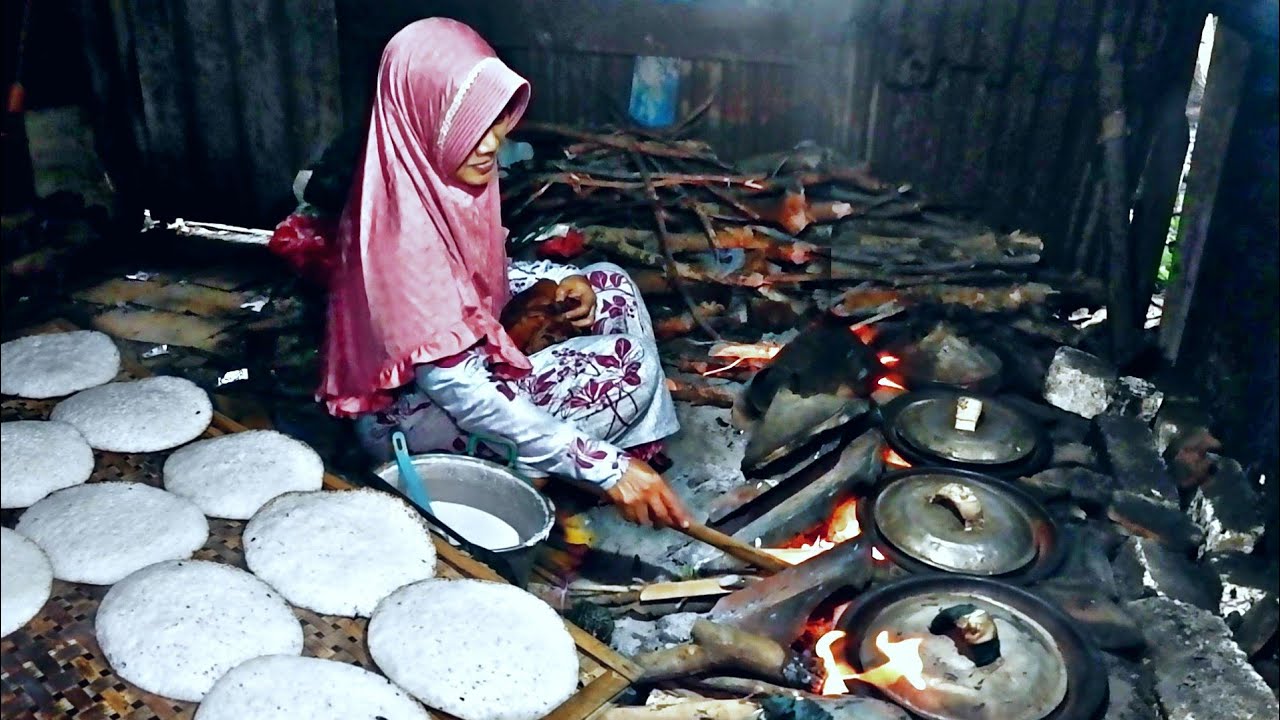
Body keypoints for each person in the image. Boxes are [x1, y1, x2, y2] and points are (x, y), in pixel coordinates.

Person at [271, 18, 691, 529]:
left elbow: (484, 275)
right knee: (631, 366)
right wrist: (604, 468)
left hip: (455, 365)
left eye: (495, 120)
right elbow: (465, 393)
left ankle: (625, 450)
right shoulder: (403, 238)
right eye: (469, 123)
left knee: (608, 283)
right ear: (421, 117)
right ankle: (568, 471)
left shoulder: (433, 182)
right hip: (412, 420)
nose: (491, 142)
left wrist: (563, 282)